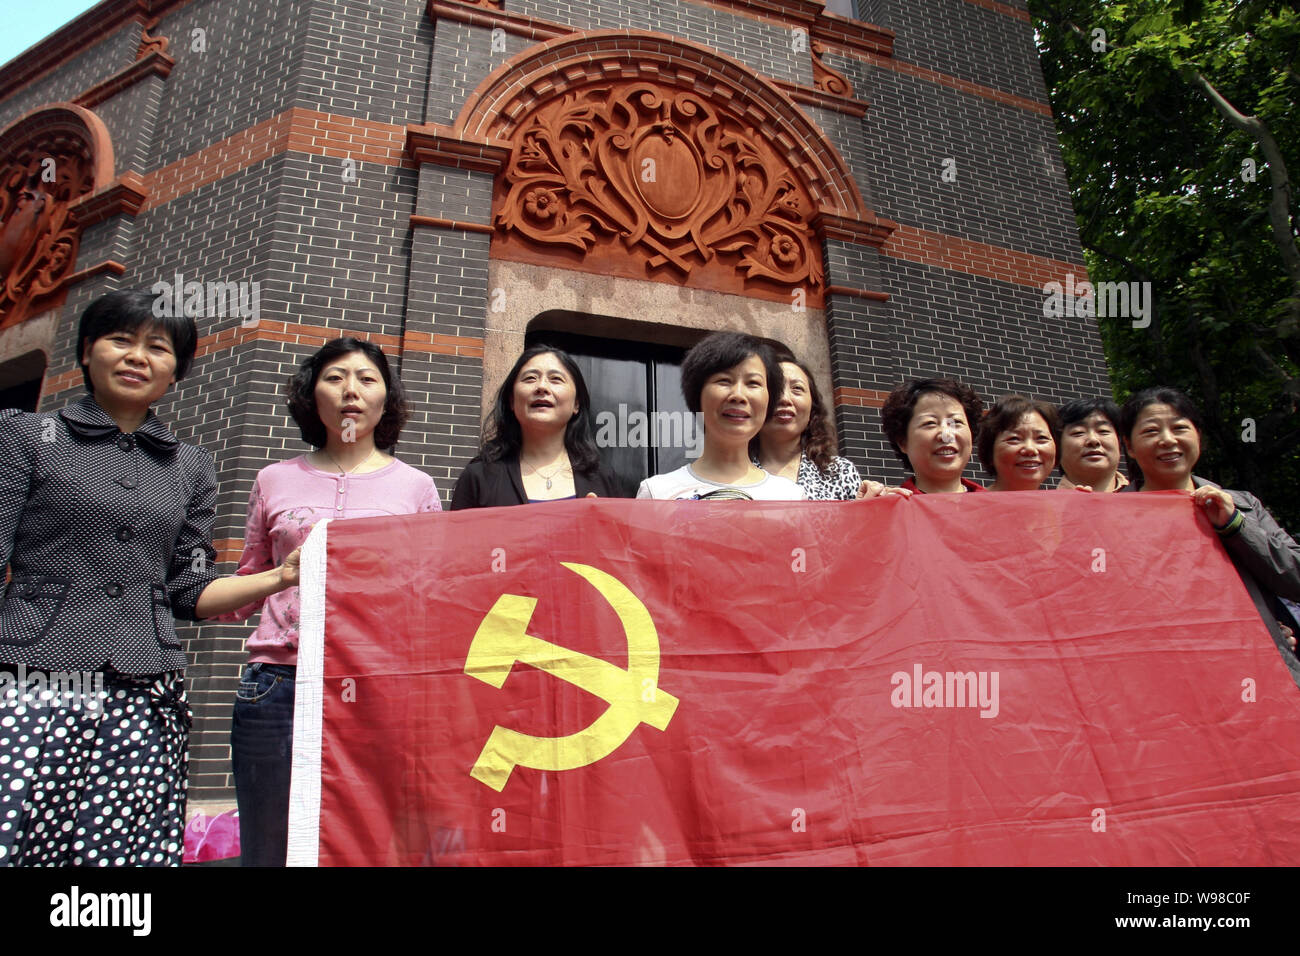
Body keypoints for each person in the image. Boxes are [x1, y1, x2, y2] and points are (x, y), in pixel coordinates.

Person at [0, 290, 298, 867]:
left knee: (119, 854)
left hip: (145, 686)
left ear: (176, 371)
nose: (138, 357)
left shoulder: (189, 464)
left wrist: (279, 577)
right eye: (121, 340)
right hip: (33, 676)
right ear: (87, 352)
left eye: (157, 348)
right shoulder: (27, 436)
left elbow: (189, 590)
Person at [223, 337, 441, 866]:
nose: (351, 390)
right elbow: (240, 591)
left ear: (387, 400)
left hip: (377, 685)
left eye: (367, 379)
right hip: (277, 684)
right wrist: (281, 576)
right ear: (310, 395)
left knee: (373, 844)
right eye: (335, 377)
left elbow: (434, 597)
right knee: (270, 847)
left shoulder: (416, 488)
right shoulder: (272, 479)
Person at [1121, 386, 1300, 674]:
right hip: (1164, 678)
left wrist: (1235, 526)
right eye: (1151, 432)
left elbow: (1295, 579)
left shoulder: (1244, 505)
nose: (1167, 440)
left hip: (1261, 673)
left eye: (1179, 428)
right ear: (1129, 446)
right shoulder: (1111, 518)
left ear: (1198, 436)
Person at [638, 331, 804, 500]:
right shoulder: (656, 493)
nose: (738, 395)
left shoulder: (791, 496)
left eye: (753, 383)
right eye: (724, 380)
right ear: (698, 395)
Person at [451, 345, 622, 508]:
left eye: (556, 379)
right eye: (530, 378)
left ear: (576, 404)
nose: (542, 387)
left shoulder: (602, 477)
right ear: (511, 401)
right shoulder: (479, 476)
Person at [751, 350, 862, 500]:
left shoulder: (840, 472)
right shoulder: (730, 473)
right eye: (774, 389)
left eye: (797, 388)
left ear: (812, 408)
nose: (784, 399)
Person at [877, 378, 986, 494]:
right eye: (930, 423)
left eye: (956, 422)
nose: (946, 434)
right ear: (903, 442)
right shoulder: (889, 508)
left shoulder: (998, 506)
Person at [977, 394, 1059, 491]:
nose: (1030, 449)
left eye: (1041, 438)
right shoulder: (968, 505)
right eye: (1014, 439)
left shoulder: (1067, 504)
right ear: (990, 452)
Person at [1055, 397, 1129, 492]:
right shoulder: (1041, 506)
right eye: (1078, 432)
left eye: (1103, 431)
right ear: (1057, 447)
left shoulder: (1146, 499)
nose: (1093, 440)